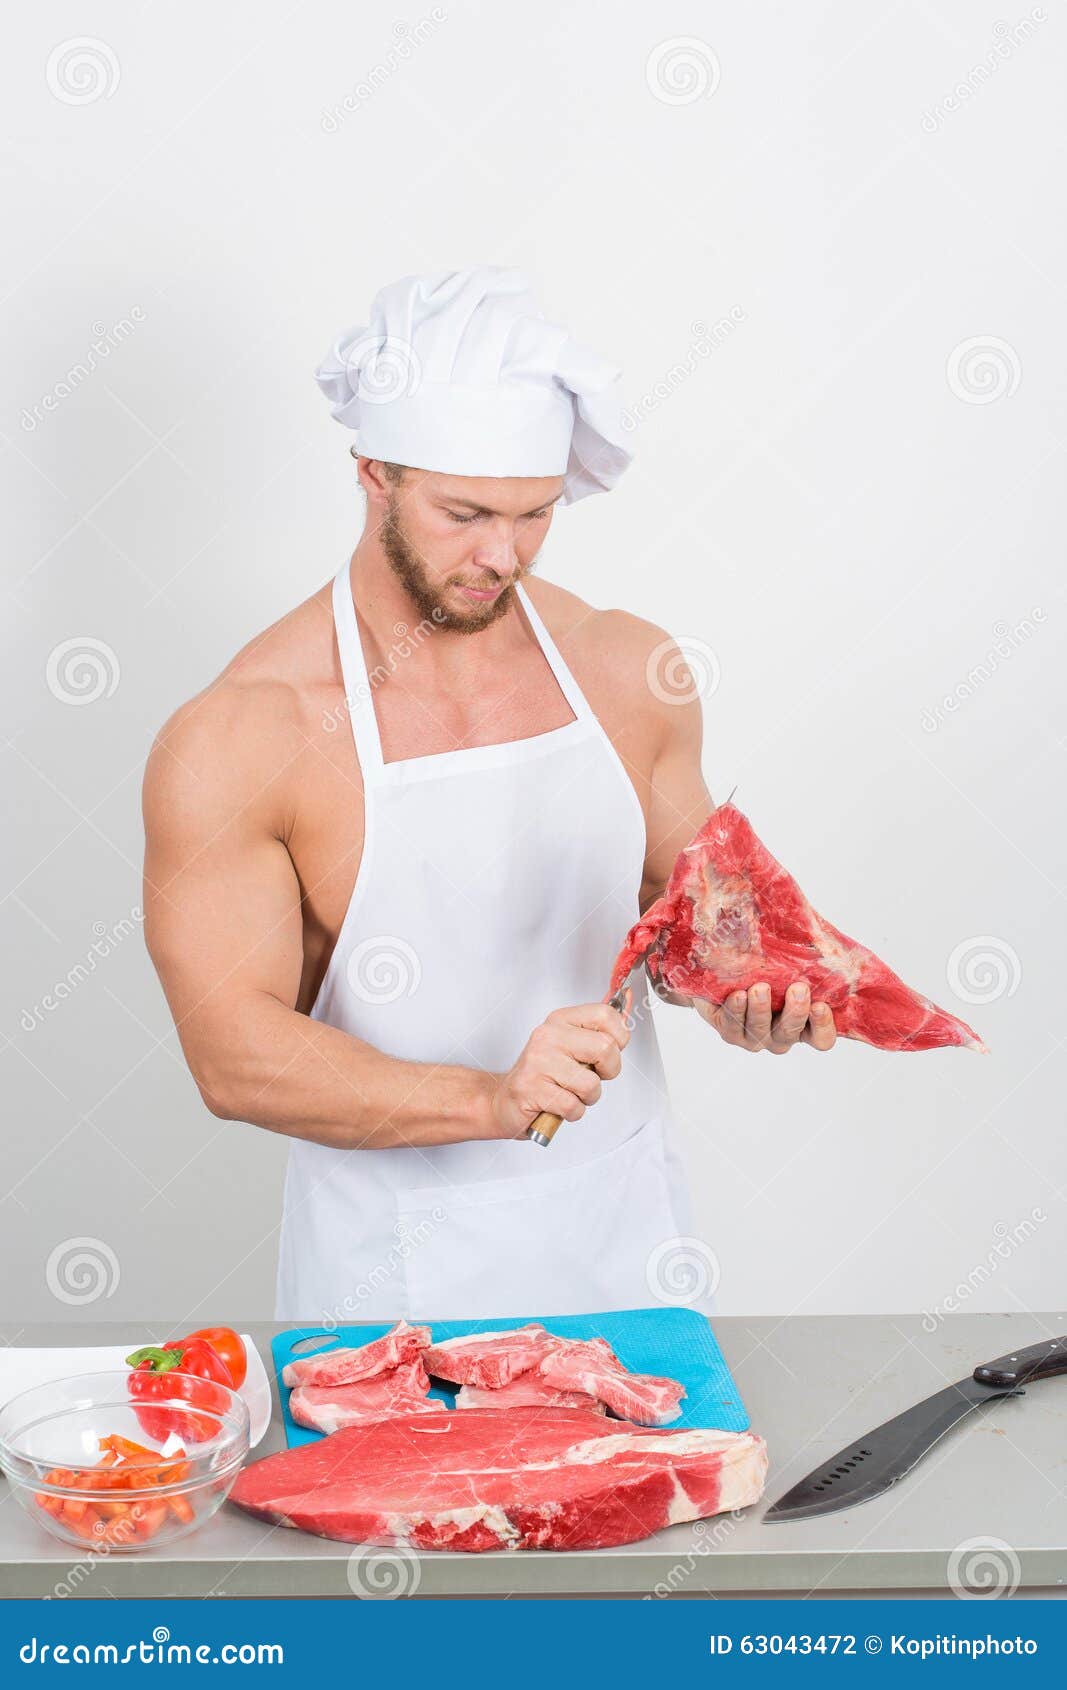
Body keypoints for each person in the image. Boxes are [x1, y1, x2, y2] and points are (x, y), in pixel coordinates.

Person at [142, 267, 836, 1324]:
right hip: (388, 1286)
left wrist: (751, 996)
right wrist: (488, 1099)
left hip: (626, 1251)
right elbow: (232, 1053)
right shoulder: (246, 730)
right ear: (372, 472)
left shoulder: (625, 668)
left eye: (532, 515)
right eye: (462, 513)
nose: (498, 555)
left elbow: (693, 927)